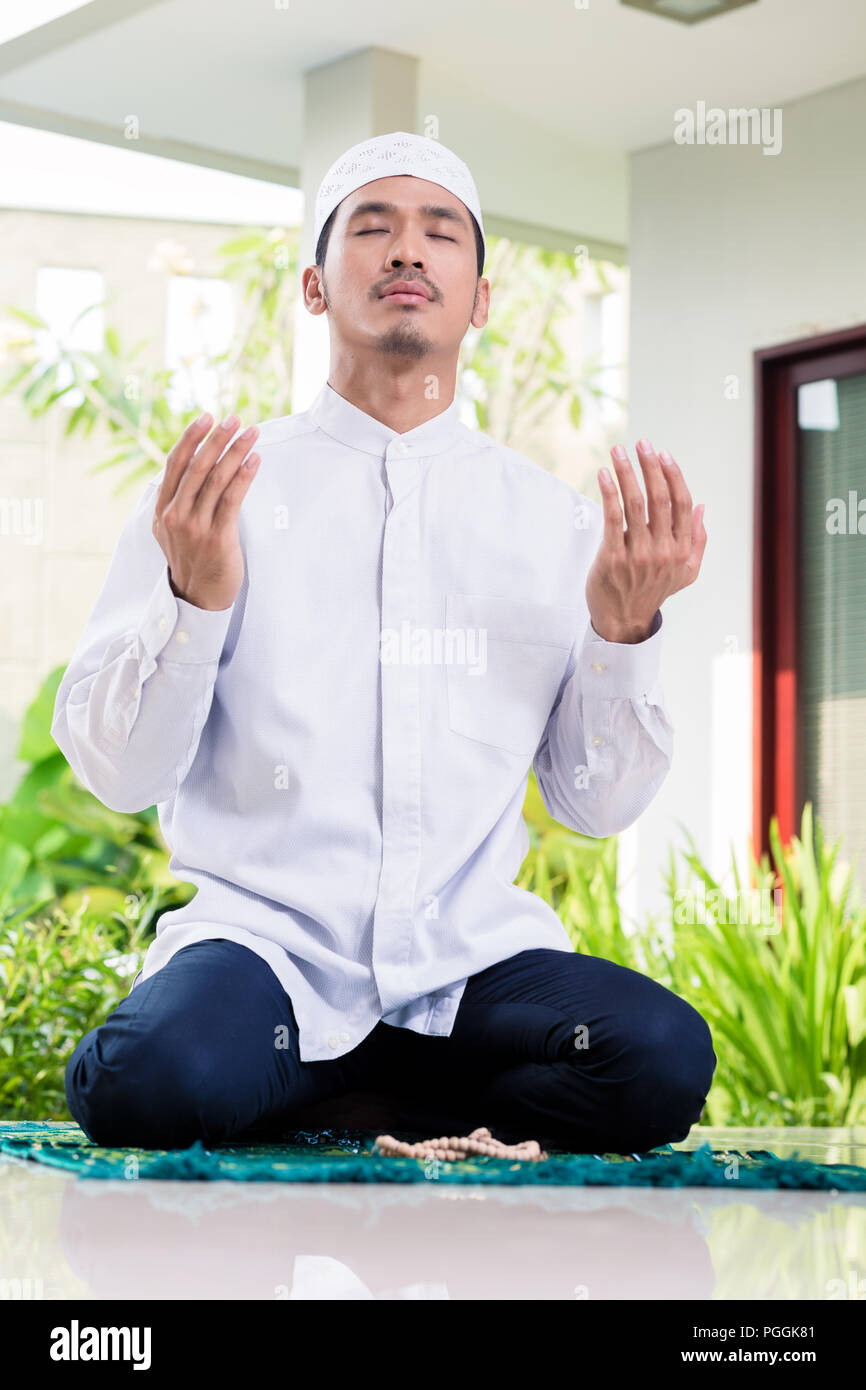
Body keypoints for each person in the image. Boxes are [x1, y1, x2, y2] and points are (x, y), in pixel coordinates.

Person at [55, 130, 715, 1153]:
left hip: (465, 978)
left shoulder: (550, 523)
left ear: (479, 297)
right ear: (316, 286)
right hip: (267, 958)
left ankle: (357, 1108)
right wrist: (193, 596)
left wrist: (622, 628)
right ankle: (325, 1089)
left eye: (439, 233)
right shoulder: (220, 490)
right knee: (150, 1082)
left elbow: (596, 806)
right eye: (373, 228)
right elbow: (121, 775)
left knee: (659, 1058)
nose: (407, 251)